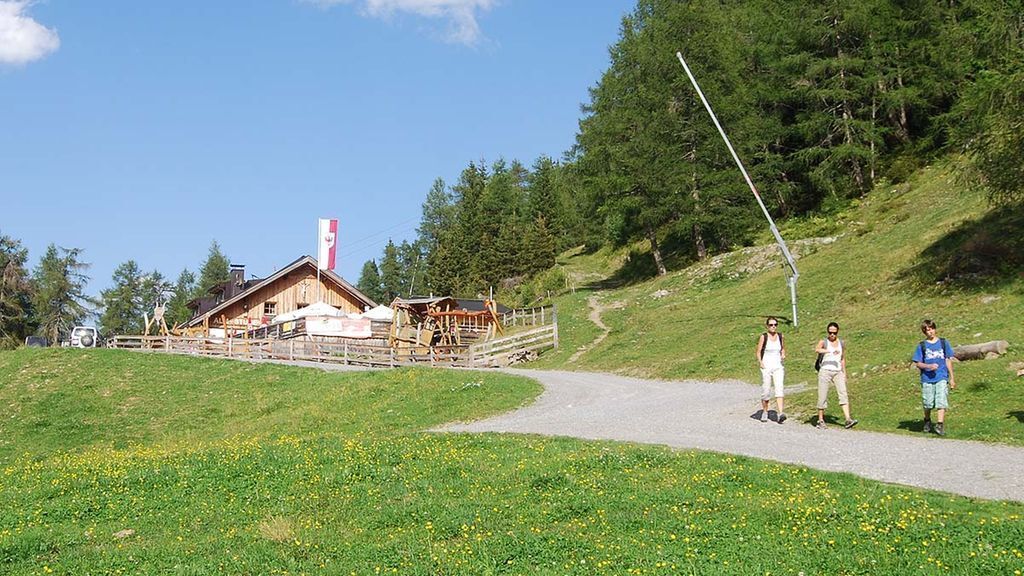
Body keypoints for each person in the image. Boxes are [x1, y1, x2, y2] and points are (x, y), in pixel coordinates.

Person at [910, 319, 956, 436]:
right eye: (927, 330)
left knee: (941, 400)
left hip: (941, 376)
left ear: (935, 329)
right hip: (927, 378)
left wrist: (952, 378)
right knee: (928, 403)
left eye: (931, 329)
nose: (930, 332)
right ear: (924, 332)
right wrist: (929, 366)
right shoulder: (922, 346)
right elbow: (918, 363)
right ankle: (927, 420)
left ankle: (940, 424)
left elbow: (948, 360)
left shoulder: (943, 343)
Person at [813, 322, 857, 429]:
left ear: (837, 331)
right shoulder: (824, 341)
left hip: (838, 371)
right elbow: (817, 349)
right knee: (822, 395)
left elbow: (842, 358)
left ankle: (847, 419)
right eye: (830, 332)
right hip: (825, 371)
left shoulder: (841, 343)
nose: (832, 334)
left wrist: (844, 372)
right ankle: (821, 419)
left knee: (843, 393)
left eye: (834, 332)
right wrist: (827, 351)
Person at [755, 317, 786, 423]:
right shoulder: (764, 337)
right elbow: (758, 351)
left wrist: (783, 354)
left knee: (779, 389)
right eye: (771, 325)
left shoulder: (780, 336)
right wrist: (761, 362)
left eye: (775, 325)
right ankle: (765, 411)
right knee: (766, 390)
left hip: (778, 366)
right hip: (767, 366)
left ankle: (780, 413)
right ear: (767, 326)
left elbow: (782, 348)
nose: (773, 327)